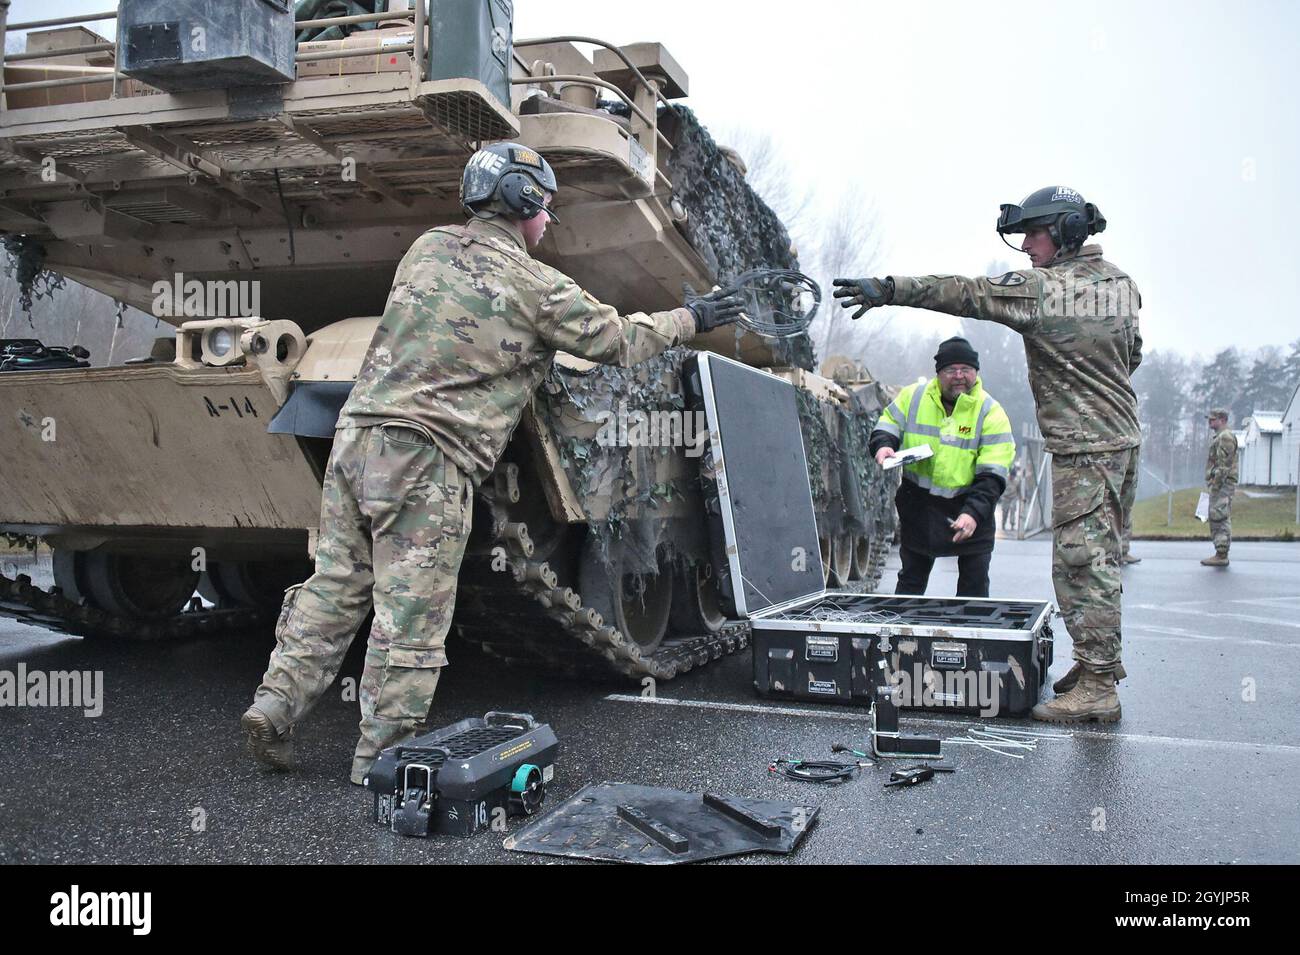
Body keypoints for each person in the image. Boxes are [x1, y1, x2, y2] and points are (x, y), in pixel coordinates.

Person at [241, 143, 743, 782]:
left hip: (354, 440)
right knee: (412, 613)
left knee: (335, 585)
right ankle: (381, 760)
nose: (545, 222)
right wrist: (690, 316)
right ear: (526, 202)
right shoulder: (533, 284)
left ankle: (275, 705)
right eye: (545, 208)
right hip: (427, 457)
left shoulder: (425, 247)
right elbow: (618, 340)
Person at [834, 185, 1140, 723]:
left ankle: (1097, 684)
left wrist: (887, 289)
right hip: (1120, 442)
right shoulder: (1121, 284)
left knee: (1080, 564)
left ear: (1066, 232)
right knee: (1103, 556)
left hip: (1085, 450)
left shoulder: (1046, 289)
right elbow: (1130, 354)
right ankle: (1098, 666)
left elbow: (964, 293)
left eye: (1034, 234)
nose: (1026, 247)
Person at [870, 337, 1014, 597]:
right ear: (938, 374)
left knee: (974, 590)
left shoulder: (991, 412)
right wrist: (883, 444)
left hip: (970, 509)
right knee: (910, 585)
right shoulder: (913, 396)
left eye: (965, 370)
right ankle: (903, 633)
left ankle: (971, 637)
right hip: (919, 507)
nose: (958, 376)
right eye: (950, 370)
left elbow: (993, 474)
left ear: (976, 372)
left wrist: (972, 514)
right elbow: (888, 421)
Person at [1202, 408, 1238, 566]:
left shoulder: (1226, 437)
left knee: (1220, 517)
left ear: (1222, 420)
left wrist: (1215, 487)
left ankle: (1221, 554)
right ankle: (1220, 552)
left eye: (1213, 419)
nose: (1210, 421)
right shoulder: (1221, 437)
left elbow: (1224, 467)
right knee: (1217, 516)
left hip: (1222, 485)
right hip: (1219, 484)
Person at [1002, 460, 1025, 533]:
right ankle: (1003, 524)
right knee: (1005, 511)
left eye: (1013, 476)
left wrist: (1021, 497)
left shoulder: (1017, 480)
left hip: (1013, 497)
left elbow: (1019, 489)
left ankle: (1012, 524)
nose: (1012, 477)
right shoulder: (1005, 479)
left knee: (1012, 510)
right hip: (1005, 498)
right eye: (1011, 476)